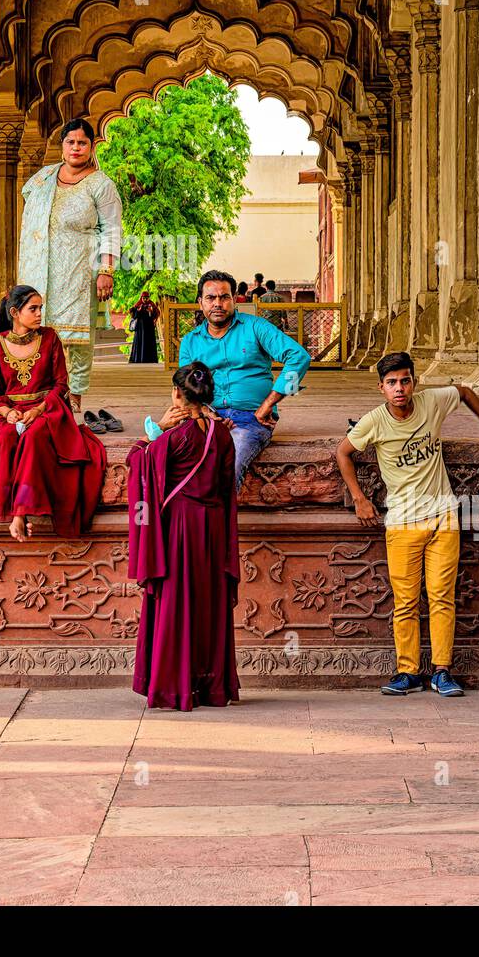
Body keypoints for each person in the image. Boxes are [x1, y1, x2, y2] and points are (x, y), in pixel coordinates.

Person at [335, 351, 479, 699]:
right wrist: (359, 497)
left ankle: (442, 671)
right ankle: (408, 672)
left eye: (405, 380)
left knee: (441, 598)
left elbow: (463, 391)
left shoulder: (431, 403)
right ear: (381, 388)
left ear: (414, 383)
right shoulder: (374, 422)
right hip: (402, 522)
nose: (399, 388)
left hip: (443, 517)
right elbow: (343, 452)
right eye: (391, 383)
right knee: (405, 602)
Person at [130, 361, 239, 710]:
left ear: (177, 394)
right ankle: (209, 686)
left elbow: (137, 464)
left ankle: (173, 687)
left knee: (176, 604)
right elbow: (226, 486)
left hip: (178, 528)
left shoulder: (172, 436)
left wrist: (155, 430)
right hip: (213, 526)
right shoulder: (221, 434)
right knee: (207, 603)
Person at [0, 283, 108, 541]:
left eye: (40, 308)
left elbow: (61, 385)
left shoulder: (49, 338)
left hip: (48, 410)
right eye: (33, 309)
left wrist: (38, 410)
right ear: (14, 312)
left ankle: (19, 514)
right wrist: (6, 413)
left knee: (33, 438)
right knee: (4, 439)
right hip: (11, 412)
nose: (39, 314)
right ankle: (18, 511)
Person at [18, 118, 123, 420]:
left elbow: (111, 229)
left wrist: (106, 270)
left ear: (91, 147)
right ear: (62, 145)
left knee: (77, 339)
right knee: (37, 334)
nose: (76, 147)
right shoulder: (43, 178)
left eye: (82, 142)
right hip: (39, 269)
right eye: (70, 141)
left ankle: (73, 399)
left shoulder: (102, 185)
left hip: (78, 269)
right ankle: (37, 397)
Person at [178, 270, 310, 489]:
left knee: (228, 466)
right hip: (206, 420)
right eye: (211, 298)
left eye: (224, 297)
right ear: (200, 302)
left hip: (252, 419)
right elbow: (184, 385)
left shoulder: (255, 327)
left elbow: (300, 357)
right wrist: (205, 413)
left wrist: (269, 403)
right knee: (179, 462)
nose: (218, 303)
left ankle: (217, 522)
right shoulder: (191, 341)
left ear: (234, 300)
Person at [128, 290, 160, 364]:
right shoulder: (138, 304)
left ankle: (150, 360)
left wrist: (150, 311)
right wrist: (138, 311)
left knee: (149, 343)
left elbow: (157, 314)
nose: (145, 300)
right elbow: (134, 316)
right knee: (139, 343)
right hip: (140, 329)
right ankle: (138, 359)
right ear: (141, 298)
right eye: (144, 298)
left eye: (147, 298)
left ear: (149, 298)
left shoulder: (152, 305)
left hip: (149, 328)